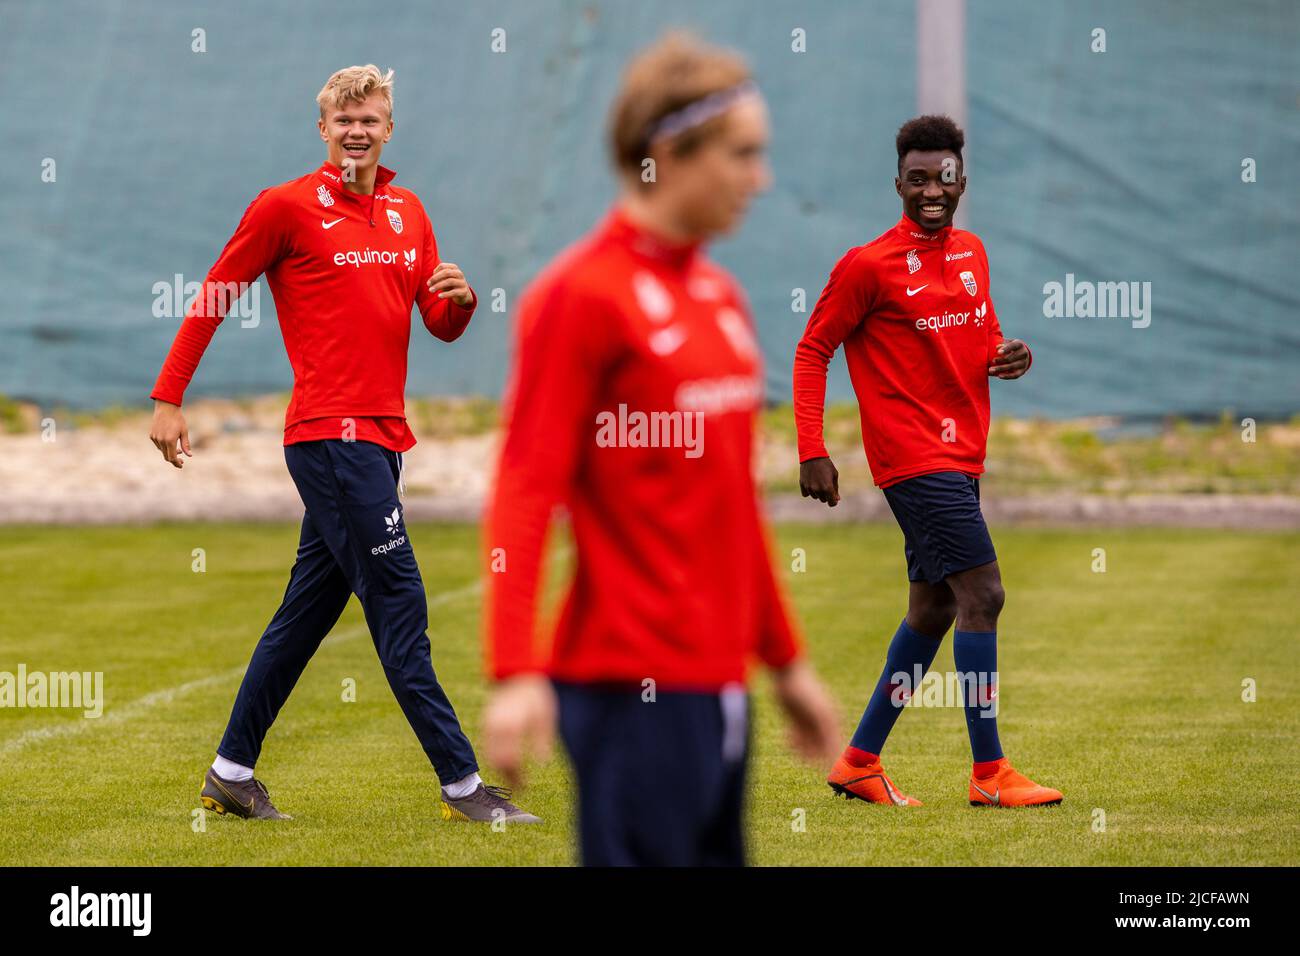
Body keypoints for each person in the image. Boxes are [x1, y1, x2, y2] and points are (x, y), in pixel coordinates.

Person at [480, 34, 840, 865]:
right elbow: (526, 489)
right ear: (667, 155)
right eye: (743, 155)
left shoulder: (721, 298)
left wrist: (784, 665)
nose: (763, 180)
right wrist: (512, 670)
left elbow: (731, 504)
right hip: (626, 688)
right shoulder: (579, 298)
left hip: (718, 686)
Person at [148, 64, 537, 825]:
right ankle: (465, 788)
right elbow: (215, 295)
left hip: (384, 440)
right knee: (401, 602)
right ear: (322, 128)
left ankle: (231, 771)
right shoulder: (285, 208)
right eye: (343, 119)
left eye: (371, 118)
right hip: (330, 439)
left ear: (389, 128)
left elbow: (435, 318)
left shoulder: (408, 211)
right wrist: (168, 397)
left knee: (305, 616)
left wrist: (457, 303)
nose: (357, 130)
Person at [792, 114, 1062, 808]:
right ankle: (990, 774)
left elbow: (983, 336)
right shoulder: (867, 265)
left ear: (961, 180)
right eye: (918, 179)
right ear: (899, 184)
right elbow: (812, 349)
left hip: (963, 451)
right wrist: (812, 449)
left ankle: (857, 760)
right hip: (914, 457)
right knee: (985, 594)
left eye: (944, 177)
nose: (932, 190)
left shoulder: (973, 252)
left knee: (936, 607)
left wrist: (1011, 356)